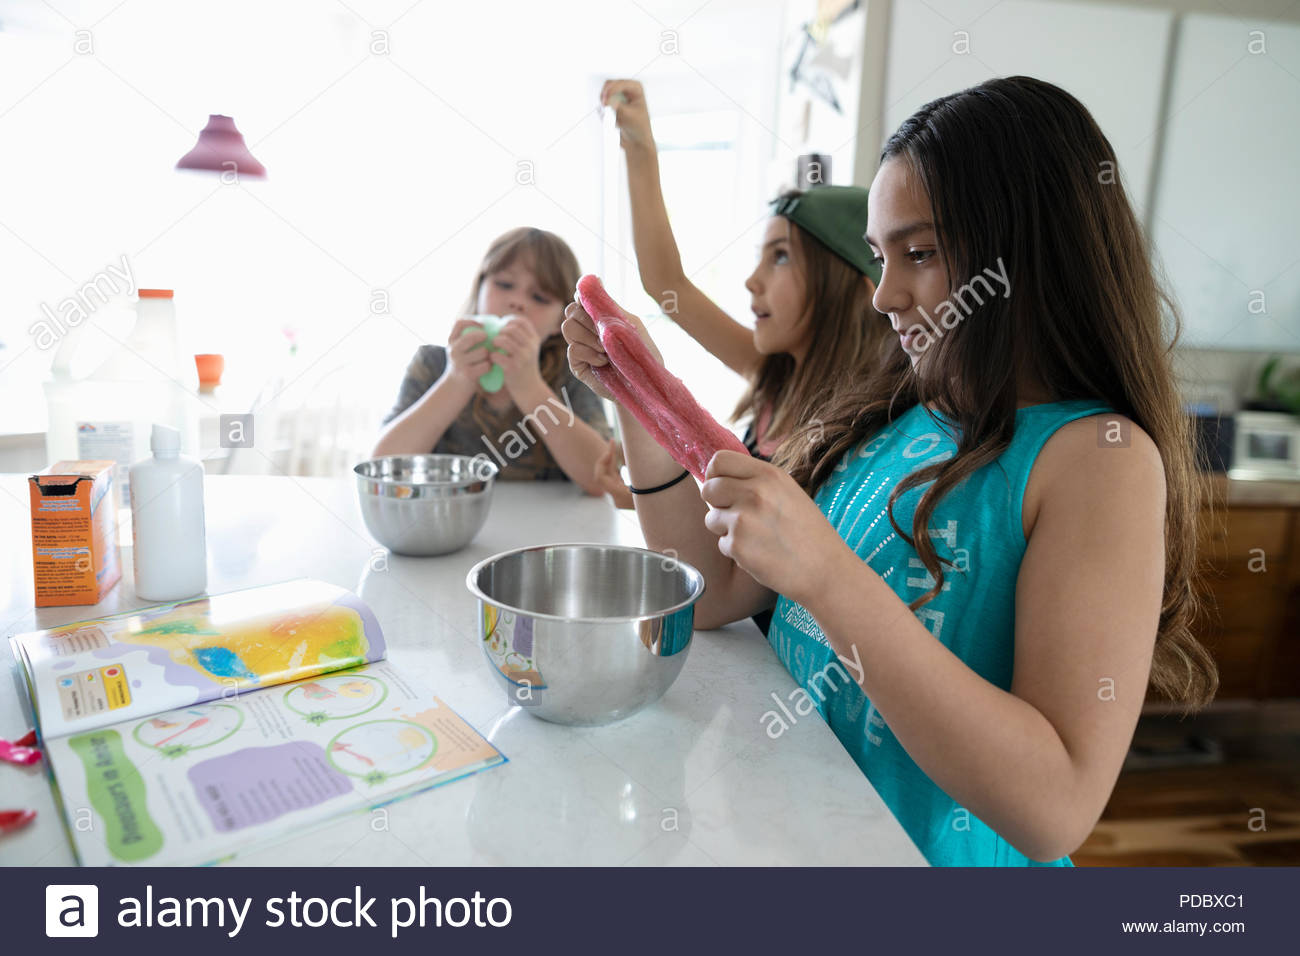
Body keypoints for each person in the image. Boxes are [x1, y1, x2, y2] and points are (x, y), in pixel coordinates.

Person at [563, 76, 1218, 866]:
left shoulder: (1100, 461)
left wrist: (829, 577)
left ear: (1031, 252)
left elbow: (1057, 807)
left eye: (920, 253)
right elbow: (713, 593)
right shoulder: (901, 412)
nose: (883, 295)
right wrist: (636, 398)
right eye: (879, 257)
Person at [601, 79, 892, 460]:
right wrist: (639, 148)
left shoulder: (874, 421)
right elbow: (665, 284)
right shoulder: (773, 377)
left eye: (781, 256)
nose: (752, 281)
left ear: (855, 290)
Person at [374, 227, 610, 493]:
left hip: (552, 531)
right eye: (505, 284)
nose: (517, 302)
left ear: (560, 321)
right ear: (480, 289)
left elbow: (603, 478)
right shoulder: (433, 364)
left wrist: (529, 388)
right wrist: (455, 381)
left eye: (540, 297)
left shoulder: (573, 373)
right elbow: (383, 470)